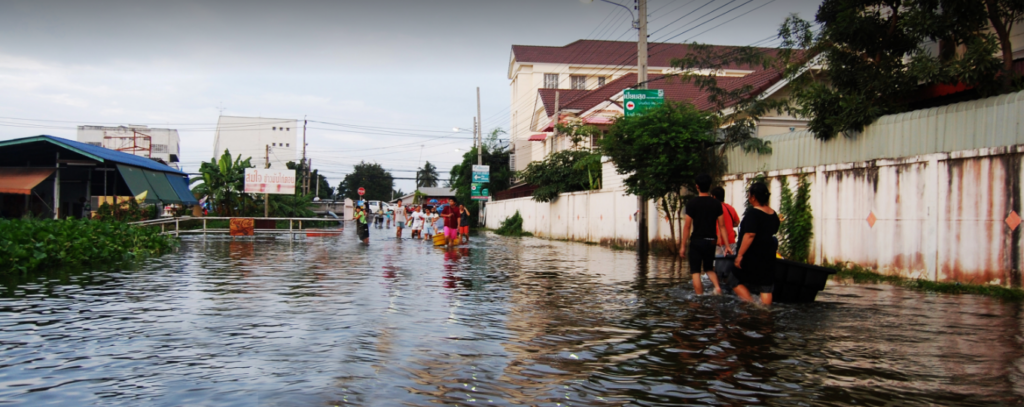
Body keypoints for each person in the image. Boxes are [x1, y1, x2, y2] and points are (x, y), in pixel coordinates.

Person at [680, 174, 732, 295]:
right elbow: (722, 226)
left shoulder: (692, 203)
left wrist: (683, 246)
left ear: (697, 186)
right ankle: (717, 288)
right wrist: (727, 246)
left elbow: (687, 226)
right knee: (709, 268)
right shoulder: (716, 204)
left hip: (697, 241)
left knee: (695, 271)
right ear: (710, 186)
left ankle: (699, 297)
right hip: (711, 241)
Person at [732, 182, 781, 305]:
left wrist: (740, 255)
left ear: (753, 197)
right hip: (768, 254)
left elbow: (750, 235)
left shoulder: (753, 214)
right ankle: (765, 312)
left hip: (753, 254)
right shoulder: (773, 214)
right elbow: (773, 231)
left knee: (734, 279)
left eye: (749, 195)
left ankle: (752, 304)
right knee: (766, 286)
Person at [711, 187, 740, 252]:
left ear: (714, 197)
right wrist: (728, 224)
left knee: (717, 261)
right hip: (731, 241)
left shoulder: (714, 208)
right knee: (729, 261)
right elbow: (737, 222)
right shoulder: (730, 208)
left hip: (718, 242)